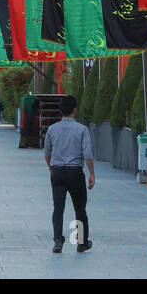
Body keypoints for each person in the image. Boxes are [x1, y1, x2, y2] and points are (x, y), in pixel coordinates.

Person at [43, 94, 95, 253]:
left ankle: (58, 240)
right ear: (74, 109)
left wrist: (51, 167)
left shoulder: (52, 129)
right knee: (79, 208)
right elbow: (87, 154)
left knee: (58, 208)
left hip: (57, 172)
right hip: (75, 172)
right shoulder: (81, 129)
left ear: (60, 111)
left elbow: (46, 152)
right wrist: (92, 173)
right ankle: (81, 242)